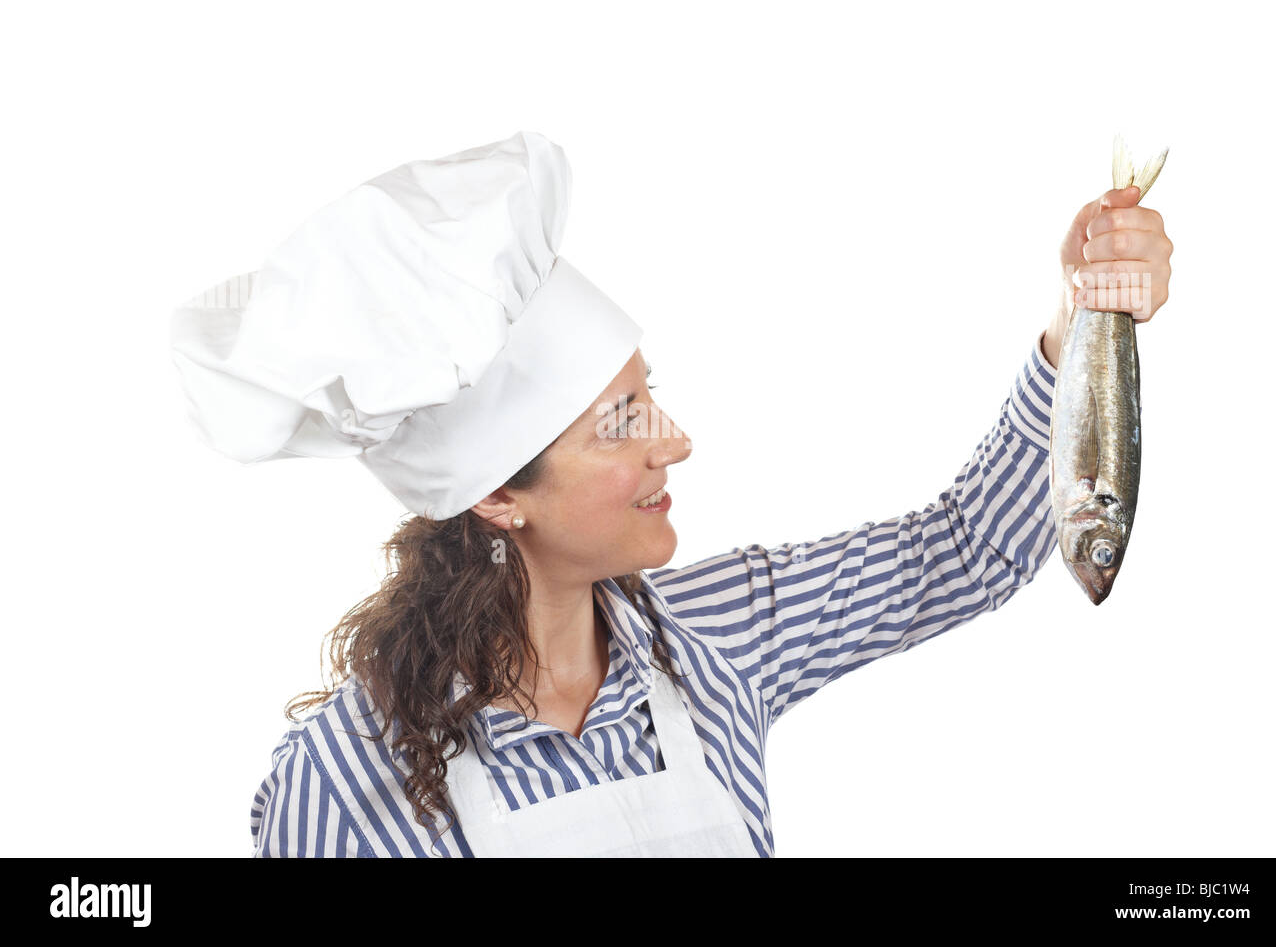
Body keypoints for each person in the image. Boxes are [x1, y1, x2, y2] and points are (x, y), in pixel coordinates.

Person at [171, 131, 1174, 857]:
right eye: (623, 419)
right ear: (495, 497)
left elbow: (959, 549)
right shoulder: (344, 780)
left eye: (653, 398)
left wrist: (1082, 310)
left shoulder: (714, 637)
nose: (677, 442)